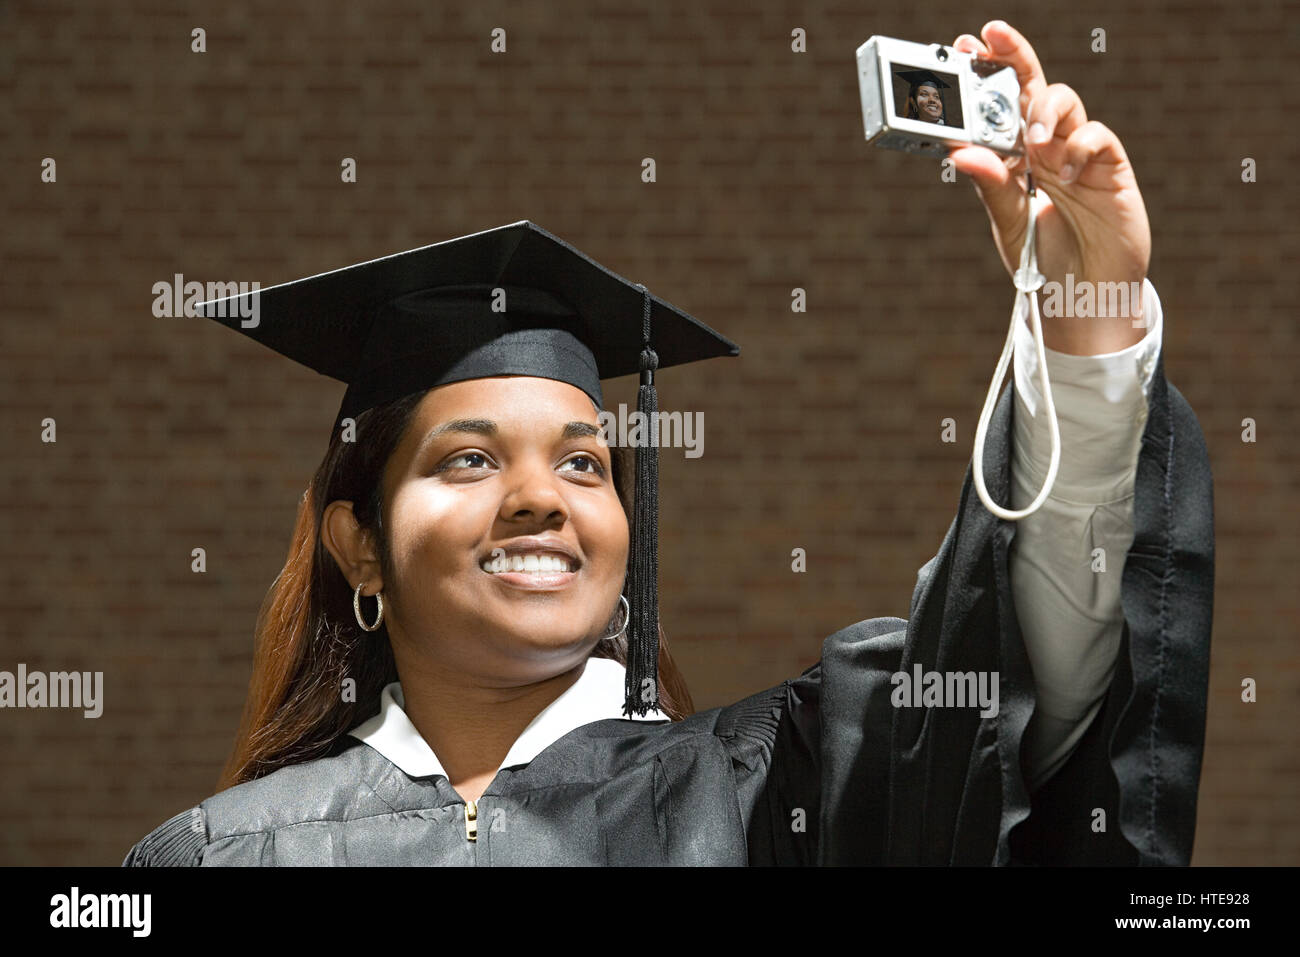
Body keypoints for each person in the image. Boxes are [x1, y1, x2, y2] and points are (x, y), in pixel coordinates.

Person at [122, 21, 1213, 866]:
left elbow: (1014, 675)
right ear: (357, 545)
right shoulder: (225, 854)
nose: (540, 498)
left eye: (584, 462)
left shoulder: (774, 792)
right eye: (468, 459)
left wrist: (1083, 311)